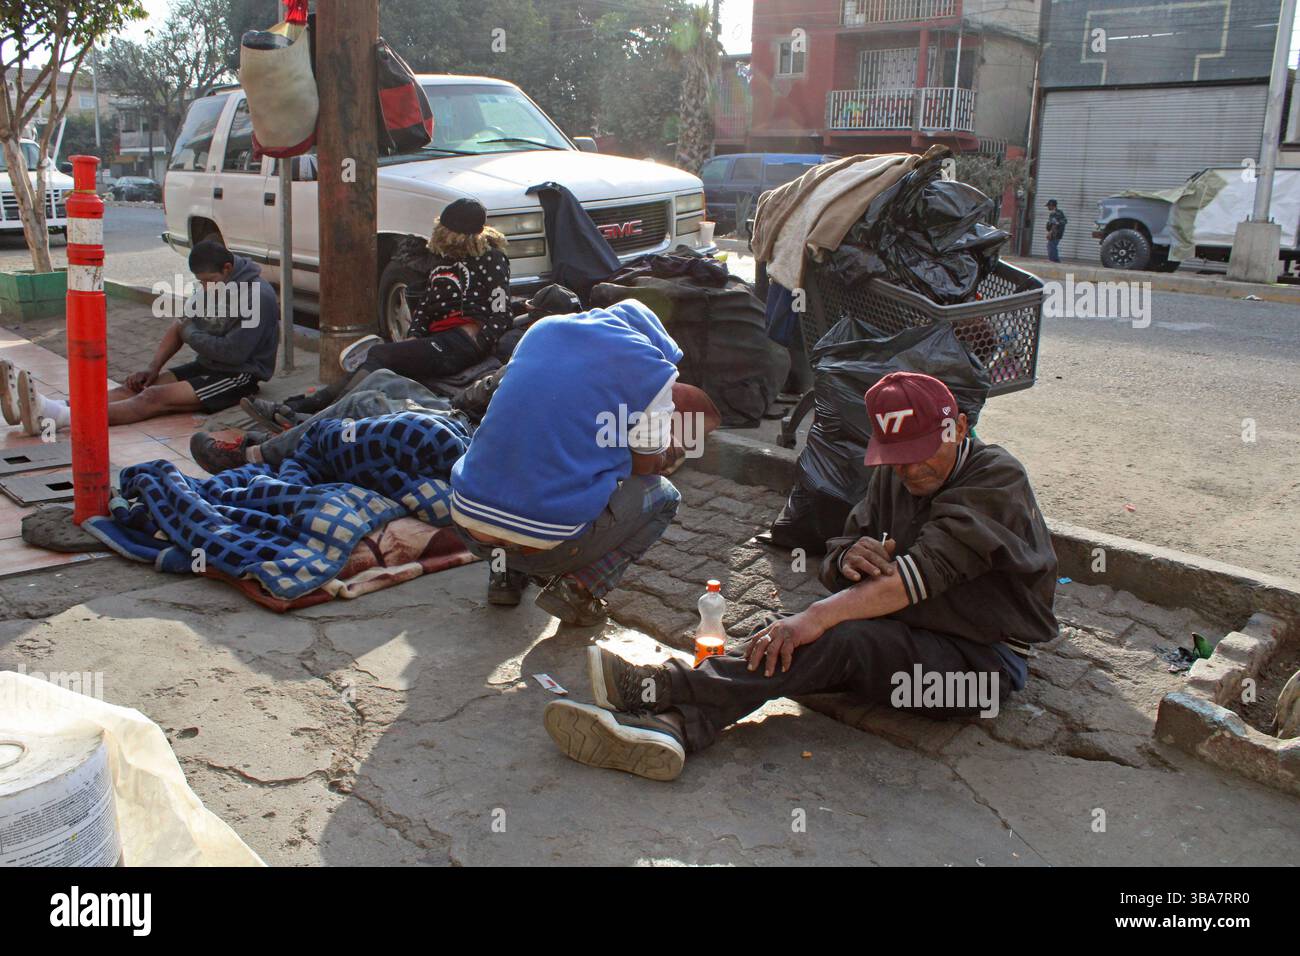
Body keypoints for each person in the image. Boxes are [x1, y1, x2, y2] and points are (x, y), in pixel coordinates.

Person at [543, 371, 1059, 781]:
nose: (911, 472)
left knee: (832, 636)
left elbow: (915, 578)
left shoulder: (996, 478)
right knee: (795, 642)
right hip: (910, 638)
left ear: (960, 428)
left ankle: (665, 687)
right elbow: (837, 555)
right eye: (898, 460)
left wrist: (814, 617)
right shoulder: (895, 475)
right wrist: (848, 559)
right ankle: (676, 728)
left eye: (922, 456)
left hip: (978, 672)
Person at [449, 299, 717, 626]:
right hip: (551, 544)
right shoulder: (653, 370)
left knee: (515, 464)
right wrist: (667, 446)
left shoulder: (541, 332)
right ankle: (578, 591)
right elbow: (645, 468)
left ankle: (504, 575)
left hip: (467, 520)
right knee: (663, 496)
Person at [3, 239, 278, 434]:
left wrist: (189, 331)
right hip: (209, 365)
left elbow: (233, 353)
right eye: (200, 281)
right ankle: (48, 407)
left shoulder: (258, 297)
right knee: (137, 388)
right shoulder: (212, 287)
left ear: (227, 269)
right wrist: (151, 368)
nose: (204, 287)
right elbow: (178, 328)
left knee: (152, 398)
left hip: (239, 375)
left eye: (208, 280)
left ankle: (58, 419)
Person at [284, 197, 511, 415]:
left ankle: (322, 407)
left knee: (380, 353)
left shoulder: (491, 259)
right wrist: (414, 335)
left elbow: (501, 313)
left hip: (461, 342)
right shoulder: (444, 259)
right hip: (437, 340)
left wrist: (477, 345)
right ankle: (319, 404)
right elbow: (426, 305)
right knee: (381, 359)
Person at [189, 369, 469, 473]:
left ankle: (254, 455)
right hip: (468, 412)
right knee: (382, 377)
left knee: (365, 403)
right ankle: (306, 425)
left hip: (471, 433)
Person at [1045, 199, 1067, 263]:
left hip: (1056, 233)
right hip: (1054, 233)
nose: (1048, 207)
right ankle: (1053, 260)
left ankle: (1055, 261)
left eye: (1049, 206)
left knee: (1052, 245)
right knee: (1051, 245)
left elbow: (1058, 223)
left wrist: (1050, 233)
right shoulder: (1053, 213)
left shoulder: (1058, 213)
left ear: (1052, 205)